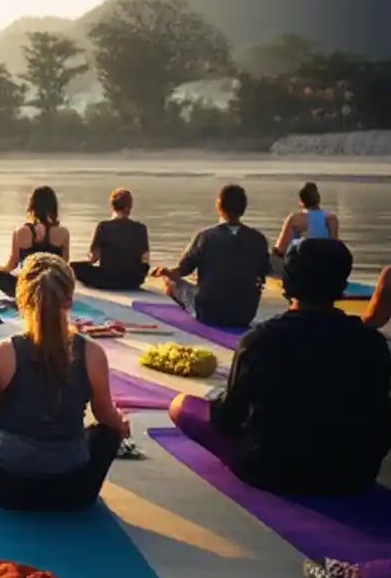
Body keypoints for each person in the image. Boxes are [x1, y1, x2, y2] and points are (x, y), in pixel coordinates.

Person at [169, 239, 391, 495]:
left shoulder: (260, 340)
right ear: (342, 284)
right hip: (352, 473)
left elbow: (227, 419)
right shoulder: (372, 343)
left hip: (270, 469)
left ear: (287, 282)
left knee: (182, 405)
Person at [0, 254, 129, 512]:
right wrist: (120, 425)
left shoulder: (0, 353)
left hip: (11, 488)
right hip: (75, 490)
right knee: (107, 433)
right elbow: (107, 415)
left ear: (21, 300)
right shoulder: (93, 354)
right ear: (70, 299)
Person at [151, 184, 271, 328]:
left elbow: (183, 270)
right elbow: (264, 271)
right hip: (245, 314)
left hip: (209, 311)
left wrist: (165, 272)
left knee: (170, 283)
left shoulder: (206, 236)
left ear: (219, 206)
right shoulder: (259, 239)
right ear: (244, 207)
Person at [0, 186, 70, 298]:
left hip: (29, 288)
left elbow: (12, 265)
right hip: (52, 289)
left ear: (32, 206)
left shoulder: (20, 232)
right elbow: (64, 263)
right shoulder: (63, 232)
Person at [72, 188, 150, 290]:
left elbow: (94, 258)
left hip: (108, 279)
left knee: (73, 267)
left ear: (112, 206)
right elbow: (145, 259)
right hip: (133, 280)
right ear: (129, 207)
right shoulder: (141, 228)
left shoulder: (103, 226)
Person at [273, 182, 338, 260]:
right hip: (324, 263)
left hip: (302, 264)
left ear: (300, 201)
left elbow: (281, 249)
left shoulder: (294, 219)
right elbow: (334, 248)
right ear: (318, 199)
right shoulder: (332, 219)